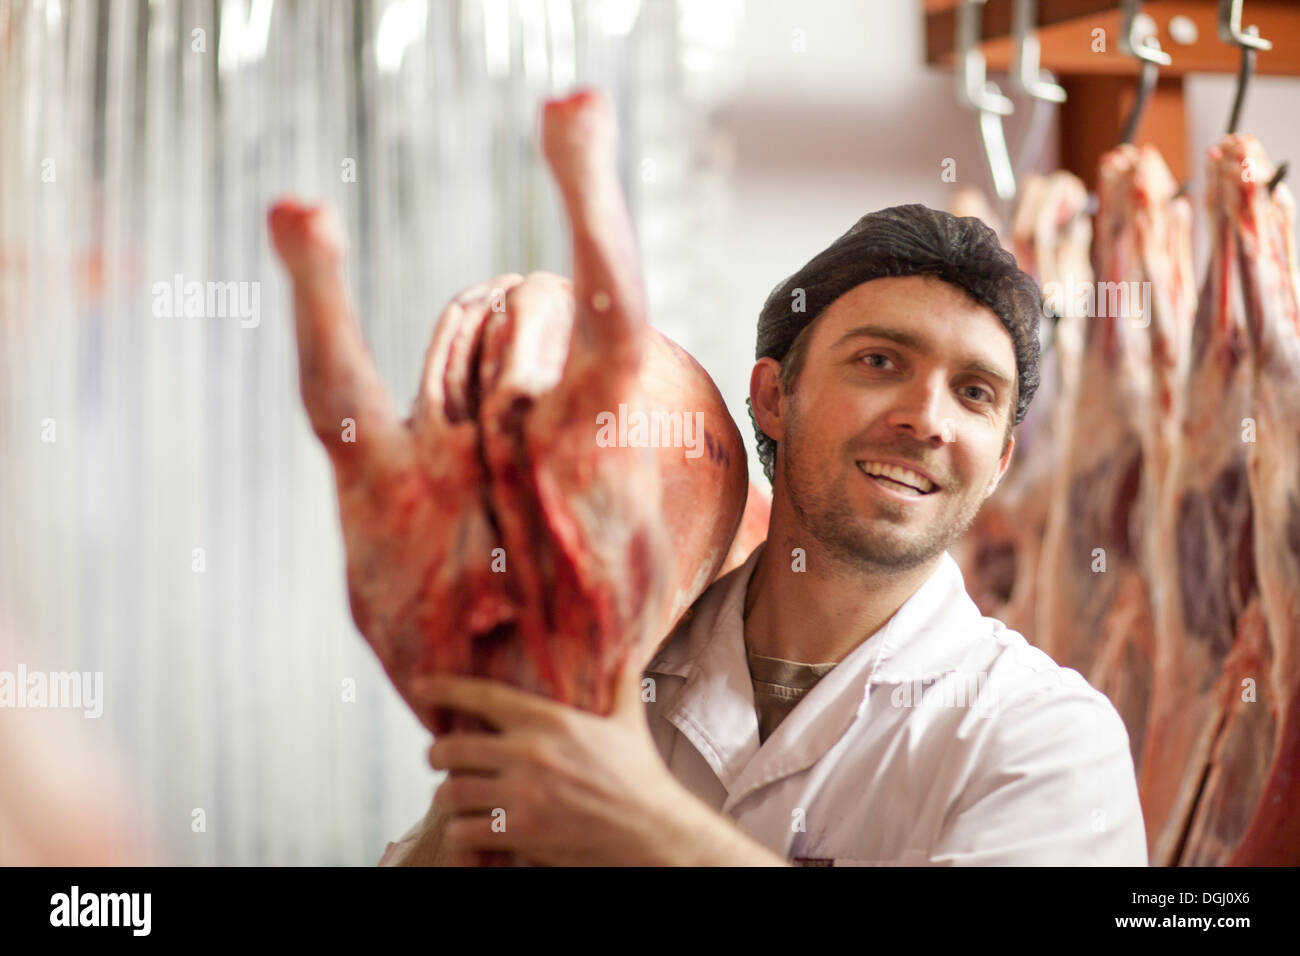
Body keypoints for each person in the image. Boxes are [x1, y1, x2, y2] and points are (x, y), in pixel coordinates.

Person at [380, 204, 1148, 866]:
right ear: (774, 398)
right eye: (880, 361)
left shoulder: (1044, 738)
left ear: (1000, 461)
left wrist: (643, 824)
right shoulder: (619, 666)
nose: (928, 420)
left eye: (975, 393)